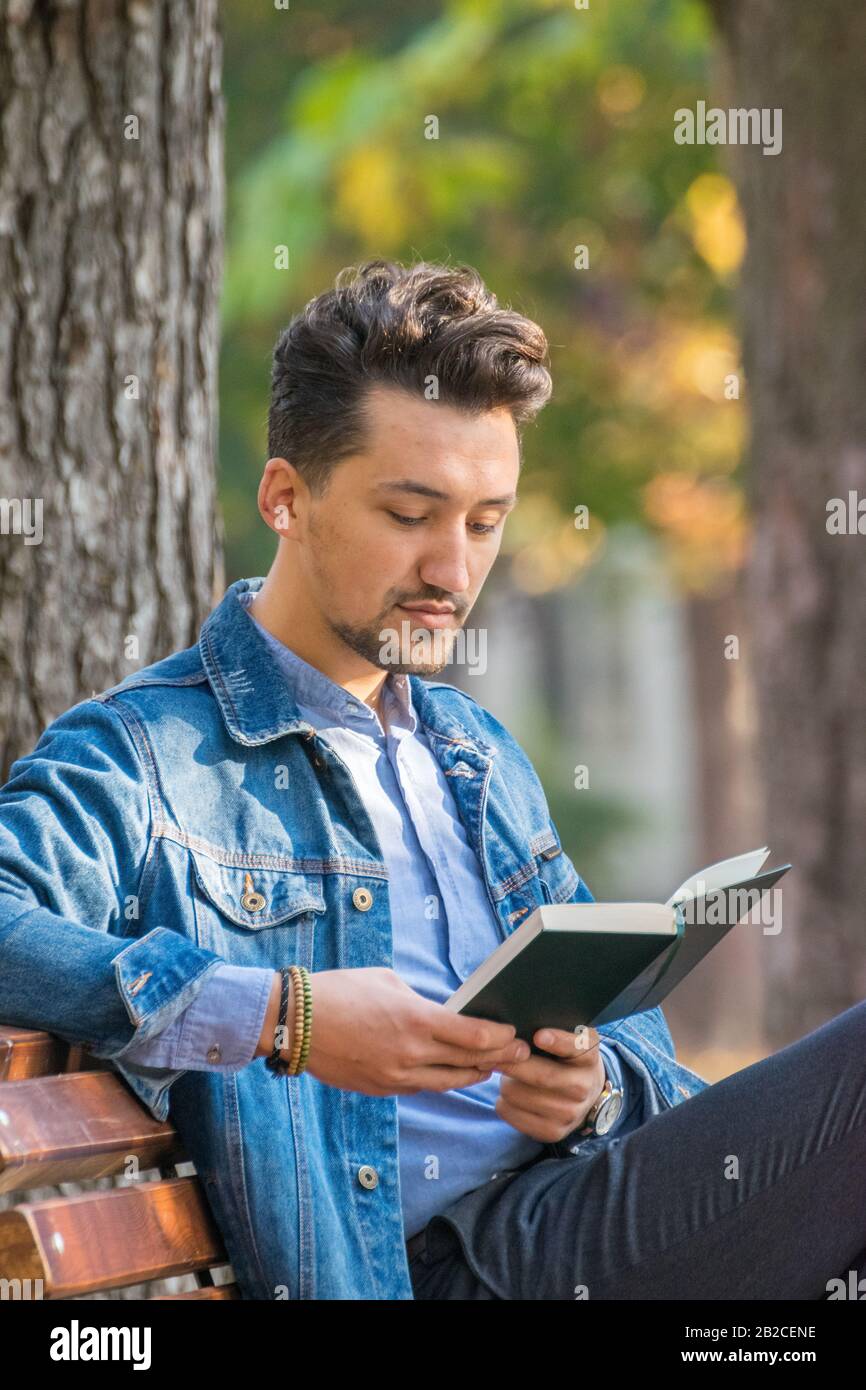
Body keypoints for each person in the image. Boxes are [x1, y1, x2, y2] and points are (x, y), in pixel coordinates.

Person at [1, 259, 863, 1300]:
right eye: (410, 514)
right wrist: (288, 1016)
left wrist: (588, 1090)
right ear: (286, 497)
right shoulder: (147, 754)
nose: (452, 572)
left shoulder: (474, 751)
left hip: (568, 1222)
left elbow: (635, 1053)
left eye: (484, 522)